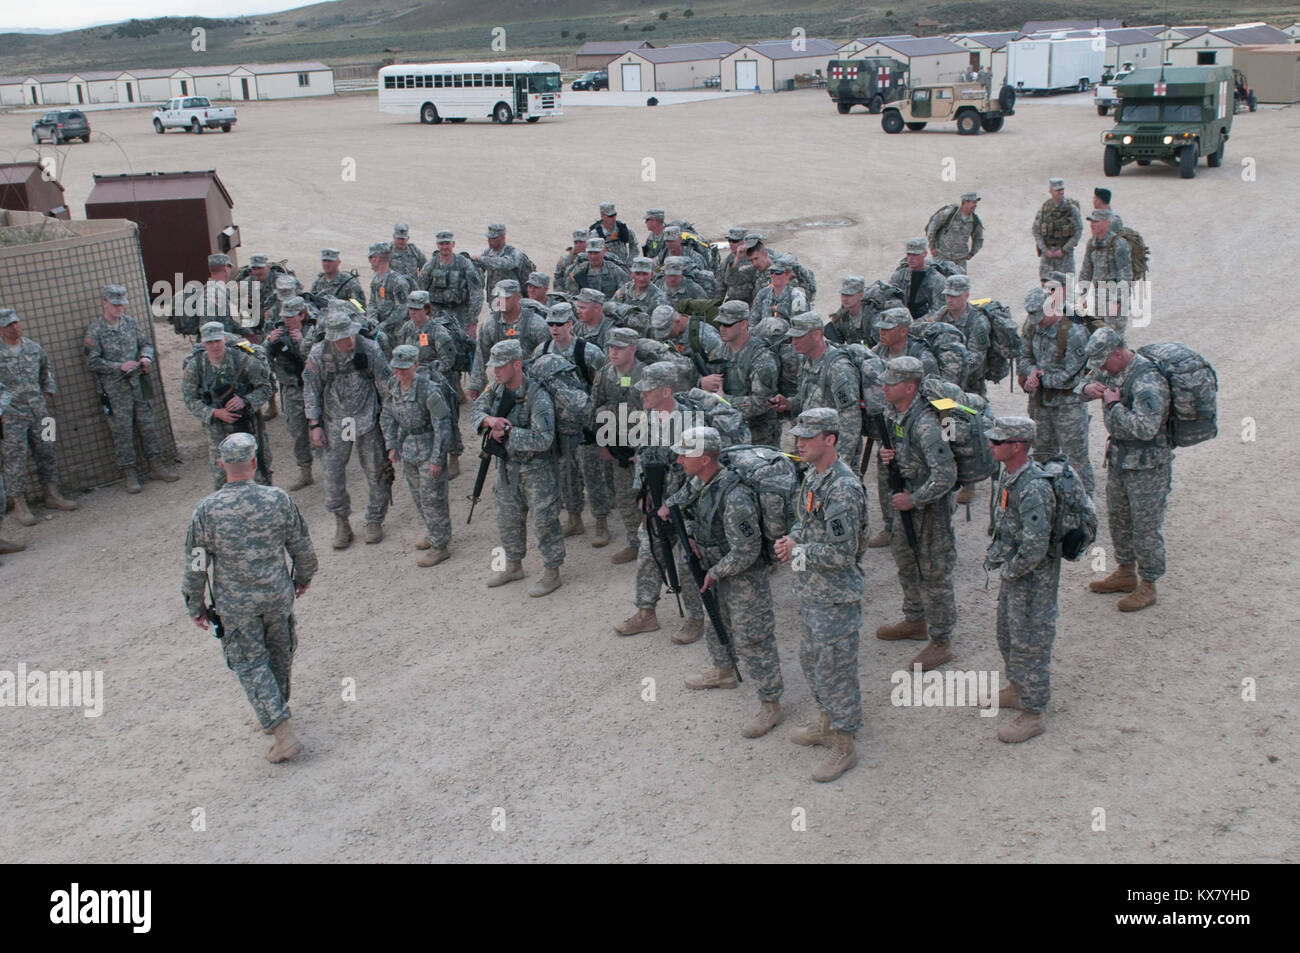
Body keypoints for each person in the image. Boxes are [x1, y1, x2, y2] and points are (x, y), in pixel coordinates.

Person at [183, 432, 317, 764]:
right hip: (276, 595)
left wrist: (195, 605)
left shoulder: (206, 510)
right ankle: (276, 707)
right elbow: (302, 546)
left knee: (251, 662)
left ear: (221, 464)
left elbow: (196, 564)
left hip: (236, 604)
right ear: (255, 462)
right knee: (279, 652)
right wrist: (302, 578)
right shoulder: (278, 499)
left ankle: (281, 730)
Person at [667, 426, 785, 738]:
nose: (679, 460)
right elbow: (692, 514)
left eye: (685, 454)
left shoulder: (736, 498)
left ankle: (770, 702)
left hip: (743, 577)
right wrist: (691, 534)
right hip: (714, 566)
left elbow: (747, 550)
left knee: (754, 638)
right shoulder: (701, 483)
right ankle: (723, 670)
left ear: (705, 459)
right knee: (714, 620)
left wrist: (715, 572)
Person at [773, 407, 867, 782]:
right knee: (812, 660)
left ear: (830, 440)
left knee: (835, 667)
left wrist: (798, 552)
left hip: (836, 596)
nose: (799, 442)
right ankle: (827, 721)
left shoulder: (843, 487)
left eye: (808, 437)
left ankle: (844, 744)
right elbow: (808, 519)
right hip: (813, 589)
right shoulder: (815, 475)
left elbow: (843, 553)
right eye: (798, 435)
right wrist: (794, 536)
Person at [875, 356, 958, 672]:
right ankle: (914, 619)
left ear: (909, 387)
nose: (883, 387)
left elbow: (946, 477)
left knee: (934, 572)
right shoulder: (895, 412)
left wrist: (915, 499)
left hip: (929, 509)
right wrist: (890, 456)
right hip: (905, 502)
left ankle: (941, 640)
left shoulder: (926, 424)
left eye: (891, 383)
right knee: (905, 561)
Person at [616, 361, 708, 641]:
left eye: (649, 390)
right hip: (655, 499)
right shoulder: (649, 417)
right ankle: (646, 612)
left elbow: (698, 474)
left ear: (667, 390)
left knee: (685, 560)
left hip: (687, 504)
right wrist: (641, 495)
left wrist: (675, 503)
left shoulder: (691, 424)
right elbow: (642, 458)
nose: (642, 394)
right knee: (648, 553)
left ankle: (695, 617)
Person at [1079, 327, 1170, 611]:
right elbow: (1081, 384)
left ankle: (1149, 584)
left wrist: (1114, 406)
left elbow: (1146, 428)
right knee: (1118, 517)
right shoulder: (1110, 369)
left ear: (1118, 352)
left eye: (1105, 362)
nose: (1102, 369)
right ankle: (1125, 572)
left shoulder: (1147, 381)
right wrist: (1086, 389)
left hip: (1147, 465)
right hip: (1120, 458)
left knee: (1145, 526)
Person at [984, 415, 1060, 744]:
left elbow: (1035, 547)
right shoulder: (1009, 475)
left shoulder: (1034, 488)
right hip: (1015, 573)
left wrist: (1009, 570)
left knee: (1031, 641)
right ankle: (1017, 687)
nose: (991, 445)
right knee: (1007, 635)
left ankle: (1034, 711)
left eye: (998, 442)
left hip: (1033, 579)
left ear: (1017, 447)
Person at [470, 339, 565, 596]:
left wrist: (508, 432)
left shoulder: (538, 395)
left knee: (544, 521)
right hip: (507, 468)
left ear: (517, 364)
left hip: (537, 469)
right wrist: (489, 420)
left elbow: (543, 438)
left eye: (501, 366)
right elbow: (475, 412)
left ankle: (552, 571)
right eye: (493, 366)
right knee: (507, 518)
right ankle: (513, 565)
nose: (496, 371)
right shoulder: (495, 389)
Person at [302, 307, 394, 549]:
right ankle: (342, 522)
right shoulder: (319, 354)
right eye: (343, 337)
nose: (349, 340)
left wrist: (389, 422)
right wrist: (314, 424)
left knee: (376, 472)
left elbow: (386, 385)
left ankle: (375, 519)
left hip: (366, 419)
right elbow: (310, 389)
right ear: (332, 336)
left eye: (350, 335)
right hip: (335, 421)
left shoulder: (369, 348)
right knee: (332, 474)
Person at [84, 284, 178, 493]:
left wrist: (146, 357)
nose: (119, 308)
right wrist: (118, 366)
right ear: (105, 304)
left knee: (148, 425)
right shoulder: (96, 330)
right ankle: (130, 473)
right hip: (115, 390)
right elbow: (92, 362)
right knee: (122, 431)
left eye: (122, 304)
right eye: (115, 304)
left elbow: (146, 344)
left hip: (138, 384)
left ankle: (155, 465)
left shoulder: (131, 323)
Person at [533, 302, 612, 544]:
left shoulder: (588, 352)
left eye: (559, 324)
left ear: (570, 324)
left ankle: (601, 522)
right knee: (567, 476)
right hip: (558, 429)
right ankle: (575, 519)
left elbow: (604, 386)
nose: (554, 329)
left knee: (593, 476)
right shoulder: (542, 351)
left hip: (585, 428)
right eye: (551, 324)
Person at [867, 307, 940, 547]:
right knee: (886, 471)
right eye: (880, 327)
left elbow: (935, 393)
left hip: (916, 427)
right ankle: (890, 526)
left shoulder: (922, 357)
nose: (882, 332)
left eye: (888, 329)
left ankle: (923, 526)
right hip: (888, 424)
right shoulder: (877, 354)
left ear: (903, 331)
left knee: (918, 474)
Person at [380, 345, 455, 566]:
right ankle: (434, 531)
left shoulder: (429, 390)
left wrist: (437, 458)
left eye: (405, 368)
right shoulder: (393, 386)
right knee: (419, 497)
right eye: (396, 368)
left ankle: (440, 545)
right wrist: (391, 445)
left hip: (428, 447)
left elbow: (442, 426)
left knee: (433, 497)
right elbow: (387, 415)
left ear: (415, 365)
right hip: (408, 449)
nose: (400, 373)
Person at [0, 309, 76, 523]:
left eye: (16, 323)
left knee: (48, 450)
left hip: (40, 412)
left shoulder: (33, 348)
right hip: (11, 417)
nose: (15, 327)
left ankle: (52, 494)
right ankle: (20, 505)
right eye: (9, 325)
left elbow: (47, 370)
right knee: (15, 459)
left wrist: (48, 391)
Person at [1018, 286, 1094, 494]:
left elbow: (1072, 376)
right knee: (1042, 455)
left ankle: (1084, 504)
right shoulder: (1032, 325)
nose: (1039, 323)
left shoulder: (1074, 331)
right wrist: (1031, 372)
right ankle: (1048, 500)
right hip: (1040, 403)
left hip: (1068, 406)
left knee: (1076, 458)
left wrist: (1042, 379)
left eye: (1042, 317)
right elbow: (1023, 356)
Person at [182, 322, 273, 490]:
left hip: (248, 425)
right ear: (203, 343)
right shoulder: (196, 366)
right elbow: (189, 399)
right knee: (221, 476)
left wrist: (245, 400)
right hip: (217, 430)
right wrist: (215, 412)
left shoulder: (243, 360)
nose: (215, 346)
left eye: (217, 341)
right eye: (210, 342)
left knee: (259, 471)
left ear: (224, 338)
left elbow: (266, 388)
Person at [770, 311, 862, 471]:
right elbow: (808, 398)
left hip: (831, 454)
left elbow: (851, 421)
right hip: (812, 449)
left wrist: (839, 464)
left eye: (799, 337)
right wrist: (790, 404)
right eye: (793, 337)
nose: (794, 342)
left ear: (817, 334)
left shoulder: (838, 369)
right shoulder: (808, 360)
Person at [593, 326, 648, 567]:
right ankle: (635, 544)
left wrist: (646, 452)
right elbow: (596, 408)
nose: (613, 352)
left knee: (651, 499)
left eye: (619, 348)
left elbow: (659, 416)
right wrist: (603, 444)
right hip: (619, 449)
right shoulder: (606, 374)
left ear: (633, 349)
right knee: (626, 499)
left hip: (645, 449)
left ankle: (655, 544)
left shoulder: (646, 375)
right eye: (611, 348)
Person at [700, 300, 780, 448]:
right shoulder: (720, 351)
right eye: (720, 324)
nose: (722, 329)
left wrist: (725, 400)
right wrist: (703, 382)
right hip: (728, 431)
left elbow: (763, 402)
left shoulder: (762, 358)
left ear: (743, 324)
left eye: (728, 324)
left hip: (758, 436)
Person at [263, 296, 318, 491]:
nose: (287, 320)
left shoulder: (313, 331)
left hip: (313, 390)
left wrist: (304, 344)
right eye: (284, 316)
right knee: (297, 431)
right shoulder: (278, 333)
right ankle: (305, 470)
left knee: (323, 429)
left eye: (291, 316)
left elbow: (320, 360)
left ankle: (330, 466)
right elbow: (263, 360)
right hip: (292, 390)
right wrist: (269, 343)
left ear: (302, 315)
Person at [468, 279, 549, 400]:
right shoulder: (491, 324)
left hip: (532, 383)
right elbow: (481, 355)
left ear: (518, 297)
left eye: (506, 298)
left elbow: (548, 355)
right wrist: (476, 384)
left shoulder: (535, 323)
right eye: (498, 297)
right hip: (504, 382)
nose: (501, 302)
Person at [417, 230, 484, 337]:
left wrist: (472, 321)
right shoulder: (430, 265)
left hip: (461, 317)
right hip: (436, 316)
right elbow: (420, 291)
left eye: (447, 243)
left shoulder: (465, 264)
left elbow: (476, 294)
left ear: (453, 244)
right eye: (441, 244)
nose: (445, 247)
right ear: (437, 245)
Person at [1078, 210, 1132, 336]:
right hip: (1099, 298)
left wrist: (1117, 301)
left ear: (1106, 223)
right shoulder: (1092, 243)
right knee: (1100, 337)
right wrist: (1082, 294)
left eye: (1096, 222)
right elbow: (1086, 270)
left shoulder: (1118, 244)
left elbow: (1125, 275)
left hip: (1115, 297)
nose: (1092, 225)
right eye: (1091, 221)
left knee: (1115, 340)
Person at [1031, 178, 1083, 279]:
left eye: (1062, 189)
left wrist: (1064, 250)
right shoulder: (1044, 210)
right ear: (1050, 190)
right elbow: (1036, 231)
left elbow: (1078, 231)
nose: (1060, 192)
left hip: (1065, 257)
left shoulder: (1072, 210)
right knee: (1048, 289)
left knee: (1067, 289)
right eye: (1057, 190)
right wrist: (1045, 250)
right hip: (1048, 258)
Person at [365, 241, 411, 347]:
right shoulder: (376, 280)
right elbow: (372, 303)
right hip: (380, 332)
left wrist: (384, 325)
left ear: (377, 258)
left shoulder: (397, 281)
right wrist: (374, 320)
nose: (370, 261)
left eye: (370, 258)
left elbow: (402, 309)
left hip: (396, 335)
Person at [926, 192, 985, 274]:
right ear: (965, 202)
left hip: (959, 260)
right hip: (941, 256)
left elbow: (979, 238)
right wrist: (932, 247)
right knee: (937, 282)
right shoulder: (949, 214)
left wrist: (972, 253)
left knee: (960, 284)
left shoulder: (975, 220)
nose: (975, 205)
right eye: (973, 202)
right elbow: (932, 228)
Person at [890, 237, 947, 319]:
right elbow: (890, 303)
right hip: (901, 320)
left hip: (927, 324)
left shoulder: (937, 280)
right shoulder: (898, 276)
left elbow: (939, 310)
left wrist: (917, 324)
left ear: (924, 253)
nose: (910, 259)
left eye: (915, 255)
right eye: (908, 254)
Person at [475, 223, 535, 299]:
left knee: (505, 310)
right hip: (494, 296)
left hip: (509, 297)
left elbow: (505, 264)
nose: (489, 241)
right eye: (489, 238)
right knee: (496, 310)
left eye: (493, 238)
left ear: (502, 237)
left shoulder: (514, 253)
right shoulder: (488, 252)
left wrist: (481, 259)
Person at [749, 254, 808, 326]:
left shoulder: (796, 297)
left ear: (788, 274)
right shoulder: (763, 294)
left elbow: (799, 327)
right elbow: (753, 321)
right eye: (772, 272)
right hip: (763, 336)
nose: (773, 275)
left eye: (778, 272)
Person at [562, 236, 629, 297]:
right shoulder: (580, 270)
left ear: (603, 252)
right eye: (590, 253)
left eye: (596, 253)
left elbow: (624, 292)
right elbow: (573, 295)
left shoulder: (614, 269)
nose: (593, 256)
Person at [826, 275, 876, 346]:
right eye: (843, 294)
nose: (845, 299)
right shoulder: (841, 316)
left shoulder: (872, 316)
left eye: (849, 295)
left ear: (861, 295)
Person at [715, 226, 759, 305]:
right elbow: (721, 283)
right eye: (730, 241)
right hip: (733, 301)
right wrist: (716, 304)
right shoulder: (729, 258)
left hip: (750, 302)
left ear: (745, 242)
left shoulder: (753, 258)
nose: (731, 244)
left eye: (735, 241)